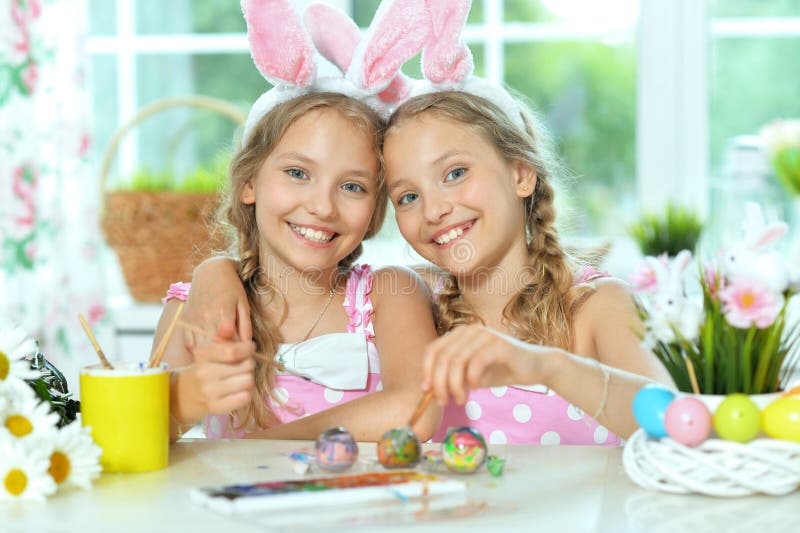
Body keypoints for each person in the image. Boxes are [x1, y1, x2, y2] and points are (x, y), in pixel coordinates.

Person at [184, 0, 675, 445]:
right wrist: (217, 271)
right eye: (408, 195)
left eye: (456, 173)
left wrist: (545, 365)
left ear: (522, 173)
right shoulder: (416, 305)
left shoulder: (596, 304)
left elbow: (674, 420)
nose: (435, 209)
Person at [153, 0, 439, 443]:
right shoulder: (199, 306)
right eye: (298, 173)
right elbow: (142, 433)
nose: (323, 207)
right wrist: (189, 394)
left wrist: (268, 446)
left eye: (353, 187)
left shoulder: (390, 296)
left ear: (375, 210)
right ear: (249, 182)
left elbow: (415, 407)